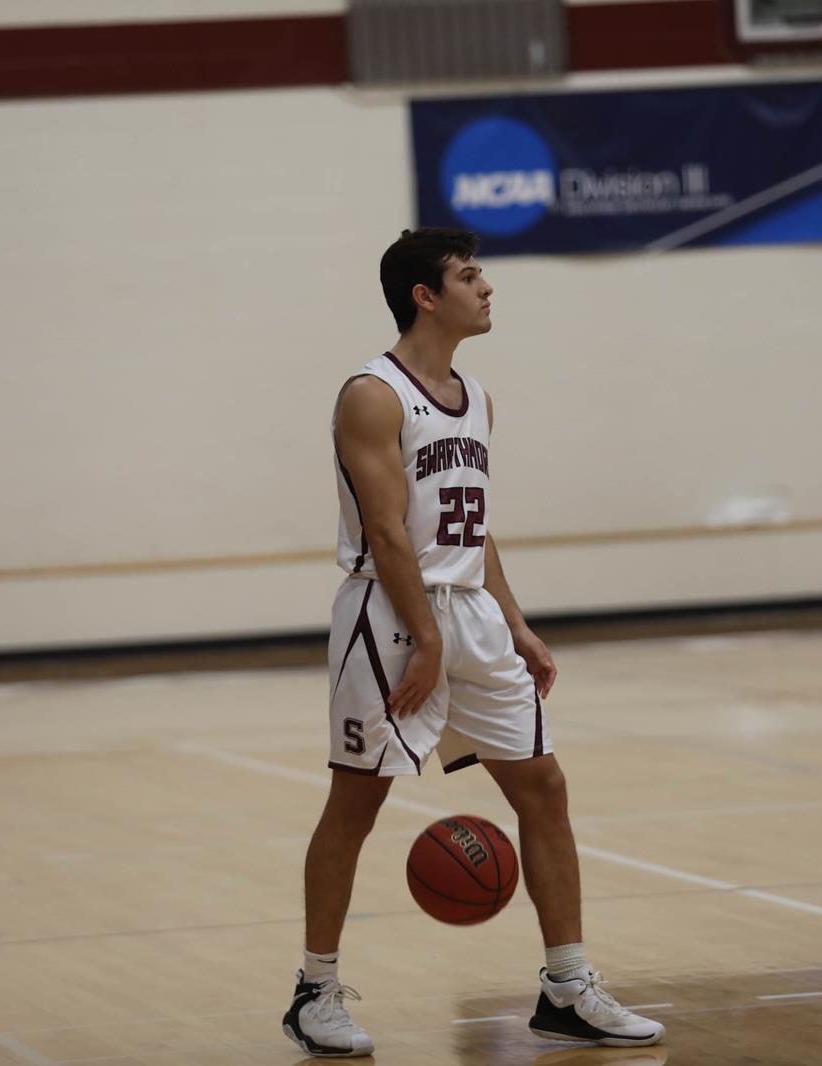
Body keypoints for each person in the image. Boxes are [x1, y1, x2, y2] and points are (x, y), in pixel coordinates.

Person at [282, 227, 665, 1057]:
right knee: (357, 801)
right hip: (387, 616)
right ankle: (314, 992)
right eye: (469, 275)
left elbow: (474, 525)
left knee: (545, 788)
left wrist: (515, 622)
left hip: (471, 616)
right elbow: (387, 533)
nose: (486, 287)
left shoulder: (477, 395)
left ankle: (567, 985)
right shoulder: (371, 394)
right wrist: (424, 639)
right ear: (426, 295)